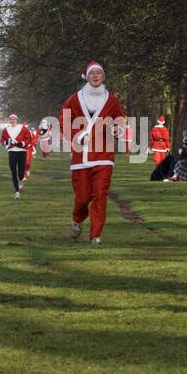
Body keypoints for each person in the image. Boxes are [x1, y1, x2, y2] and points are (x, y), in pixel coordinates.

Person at [60, 61, 124, 246]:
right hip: (81, 157)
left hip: (104, 155)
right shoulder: (74, 99)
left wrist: (117, 131)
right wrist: (78, 136)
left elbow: (120, 119)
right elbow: (64, 121)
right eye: (92, 73)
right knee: (82, 197)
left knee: (99, 194)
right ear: (86, 77)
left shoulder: (111, 99)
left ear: (103, 77)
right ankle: (77, 219)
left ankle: (95, 235)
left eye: (99, 73)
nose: (95, 76)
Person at [1, 113, 32, 198]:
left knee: (21, 172)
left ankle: (21, 180)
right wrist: (6, 142)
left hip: (22, 151)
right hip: (12, 152)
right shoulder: (6, 129)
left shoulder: (23, 128)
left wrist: (22, 143)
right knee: (13, 172)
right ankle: (16, 192)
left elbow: (29, 138)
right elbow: (2, 139)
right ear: (9, 120)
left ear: (17, 120)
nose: (12, 120)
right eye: (11, 119)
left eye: (14, 119)